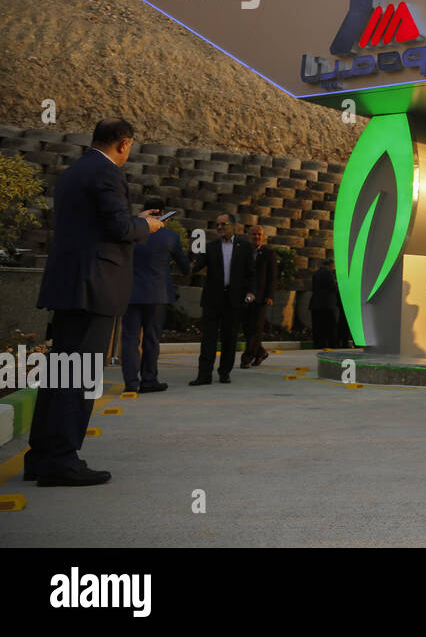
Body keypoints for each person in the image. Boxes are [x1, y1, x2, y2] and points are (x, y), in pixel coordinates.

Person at [25, 118, 164, 486]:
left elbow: (99, 223)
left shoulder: (75, 171)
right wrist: (145, 227)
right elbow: (118, 229)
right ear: (123, 143)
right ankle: (63, 460)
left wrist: (132, 219)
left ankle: (40, 455)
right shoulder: (108, 174)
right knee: (79, 375)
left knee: (60, 374)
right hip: (94, 289)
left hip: (70, 287)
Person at [123, 194, 190, 394]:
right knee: (151, 339)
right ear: (162, 215)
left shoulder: (131, 234)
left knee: (130, 339)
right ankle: (149, 380)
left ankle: (130, 383)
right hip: (158, 294)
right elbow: (184, 265)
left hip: (131, 293)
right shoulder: (171, 237)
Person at [190, 213, 256, 385]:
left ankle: (225, 372)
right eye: (217, 224)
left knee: (230, 338)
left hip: (234, 299)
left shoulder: (245, 247)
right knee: (208, 338)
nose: (219, 227)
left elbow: (251, 273)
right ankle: (204, 374)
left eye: (223, 224)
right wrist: (188, 260)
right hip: (212, 299)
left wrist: (251, 292)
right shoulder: (209, 247)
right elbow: (196, 266)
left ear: (234, 226)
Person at [240, 224, 277, 368]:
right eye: (254, 234)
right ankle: (260, 352)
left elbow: (272, 277)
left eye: (259, 234)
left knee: (256, 328)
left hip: (261, 297)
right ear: (249, 236)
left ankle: (246, 358)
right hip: (245, 296)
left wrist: (270, 295)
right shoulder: (244, 252)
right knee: (246, 328)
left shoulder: (269, 253)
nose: (257, 237)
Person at [310, 255, 343, 348]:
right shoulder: (328, 274)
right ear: (331, 264)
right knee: (331, 326)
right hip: (327, 305)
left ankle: (318, 344)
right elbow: (333, 288)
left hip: (316, 304)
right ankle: (332, 345)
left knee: (318, 327)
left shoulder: (316, 273)